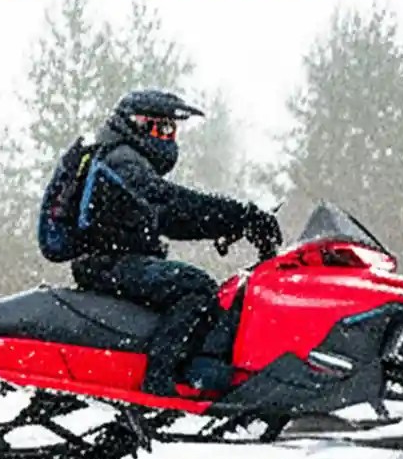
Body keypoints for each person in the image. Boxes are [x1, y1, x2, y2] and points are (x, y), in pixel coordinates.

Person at [36, 89, 281, 397]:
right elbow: (170, 205)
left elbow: (175, 218)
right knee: (195, 287)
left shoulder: (119, 157)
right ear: (137, 124)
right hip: (108, 263)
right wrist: (242, 216)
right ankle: (159, 385)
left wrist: (235, 221)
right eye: (161, 128)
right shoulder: (122, 160)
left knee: (203, 288)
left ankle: (195, 371)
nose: (169, 138)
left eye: (172, 129)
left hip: (113, 260)